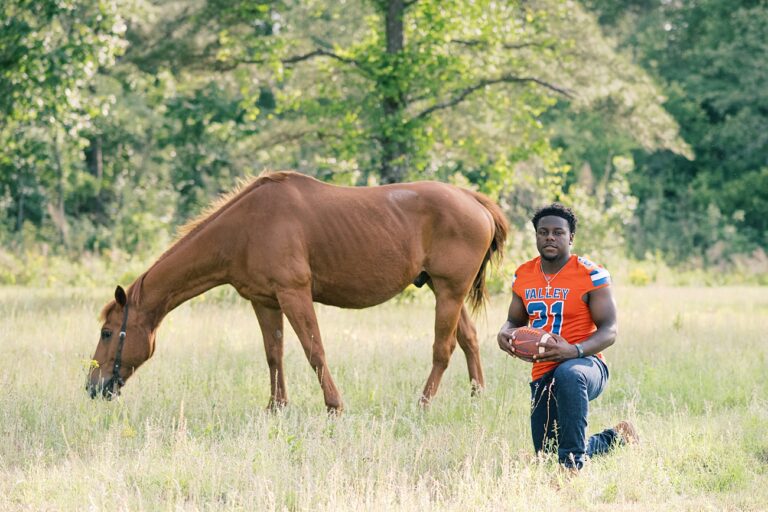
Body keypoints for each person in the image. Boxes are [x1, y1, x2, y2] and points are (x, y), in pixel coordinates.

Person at [497, 203, 638, 472]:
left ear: (570, 237)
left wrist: (573, 351)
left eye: (558, 232)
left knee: (568, 374)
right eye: (543, 232)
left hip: (586, 364)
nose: (550, 237)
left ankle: (572, 467)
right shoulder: (524, 274)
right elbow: (514, 321)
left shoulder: (590, 274)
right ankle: (617, 437)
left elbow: (610, 330)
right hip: (543, 371)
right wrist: (504, 334)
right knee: (546, 454)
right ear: (536, 236)